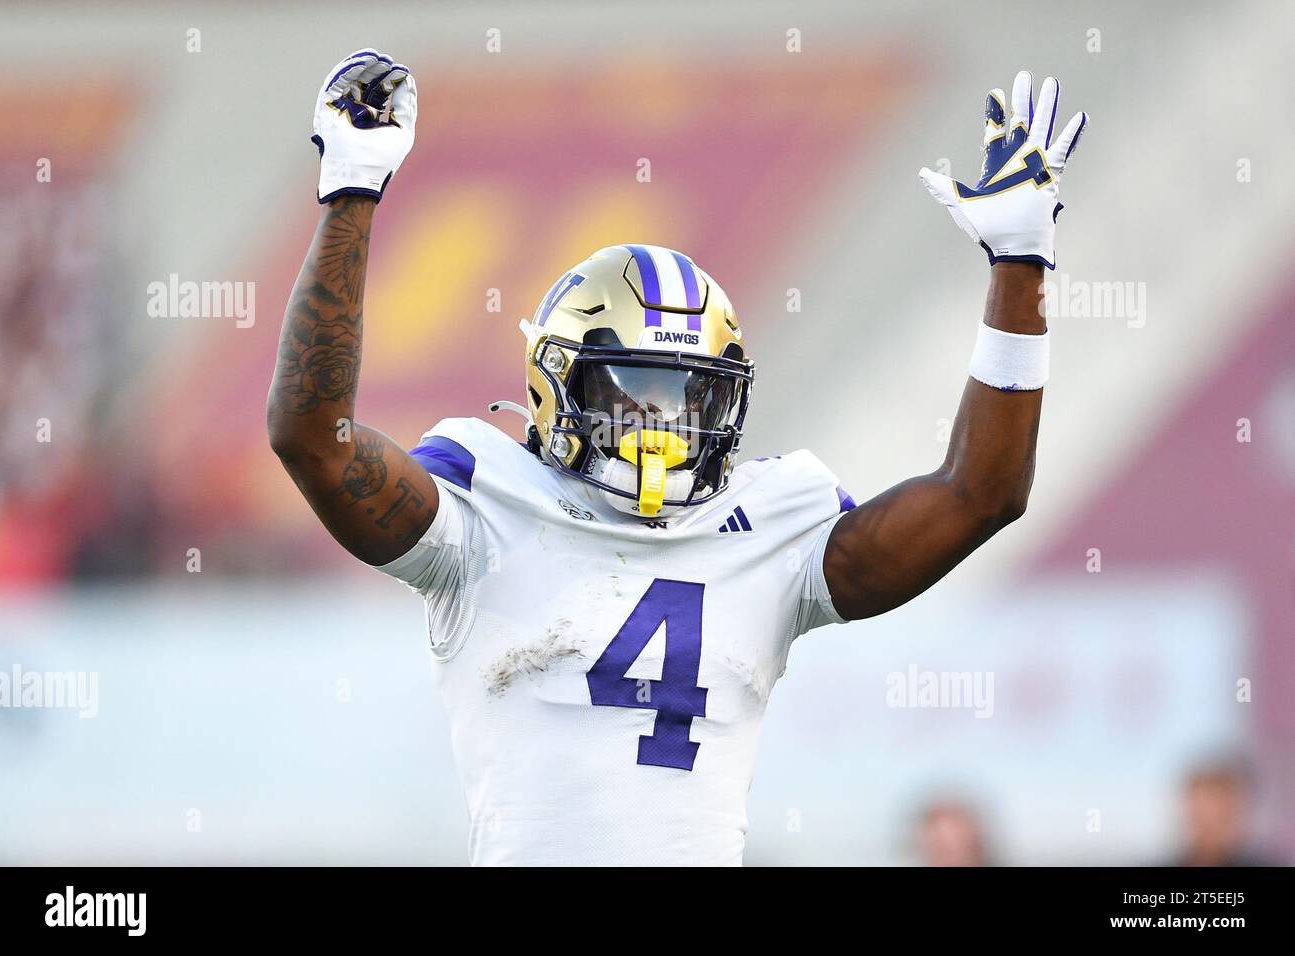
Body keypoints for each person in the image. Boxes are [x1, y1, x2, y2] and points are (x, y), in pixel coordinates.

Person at [267, 49, 1088, 865]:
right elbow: (312, 438)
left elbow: (983, 494)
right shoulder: (487, 503)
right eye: (638, 391)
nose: (666, 425)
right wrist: (352, 193)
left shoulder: (773, 522)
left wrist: (1020, 263)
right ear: (561, 383)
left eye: (691, 396)